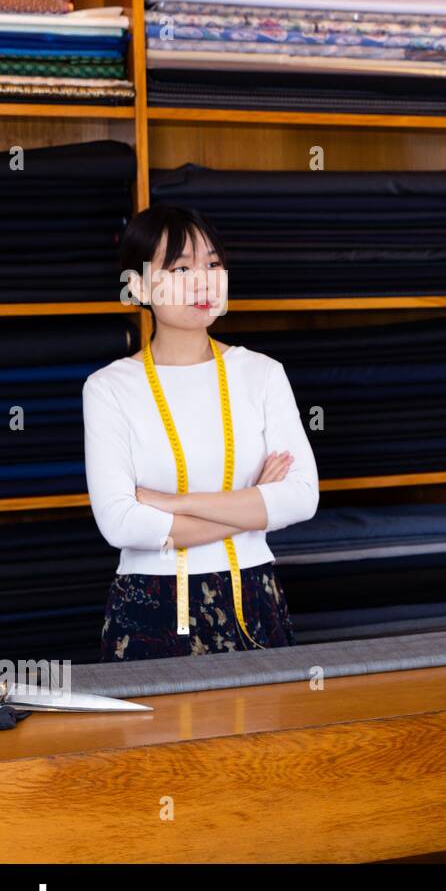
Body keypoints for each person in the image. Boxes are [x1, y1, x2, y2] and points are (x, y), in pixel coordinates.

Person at [83, 205, 319, 661]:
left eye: (212, 264)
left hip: (254, 597)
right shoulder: (108, 388)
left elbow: (302, 497)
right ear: (138, 286)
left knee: (272, 733)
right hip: (149, 607)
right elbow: (120, 522)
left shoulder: (262, 373)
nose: (203, 280)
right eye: (181, 267)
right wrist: (253, 504)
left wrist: (171, 504)